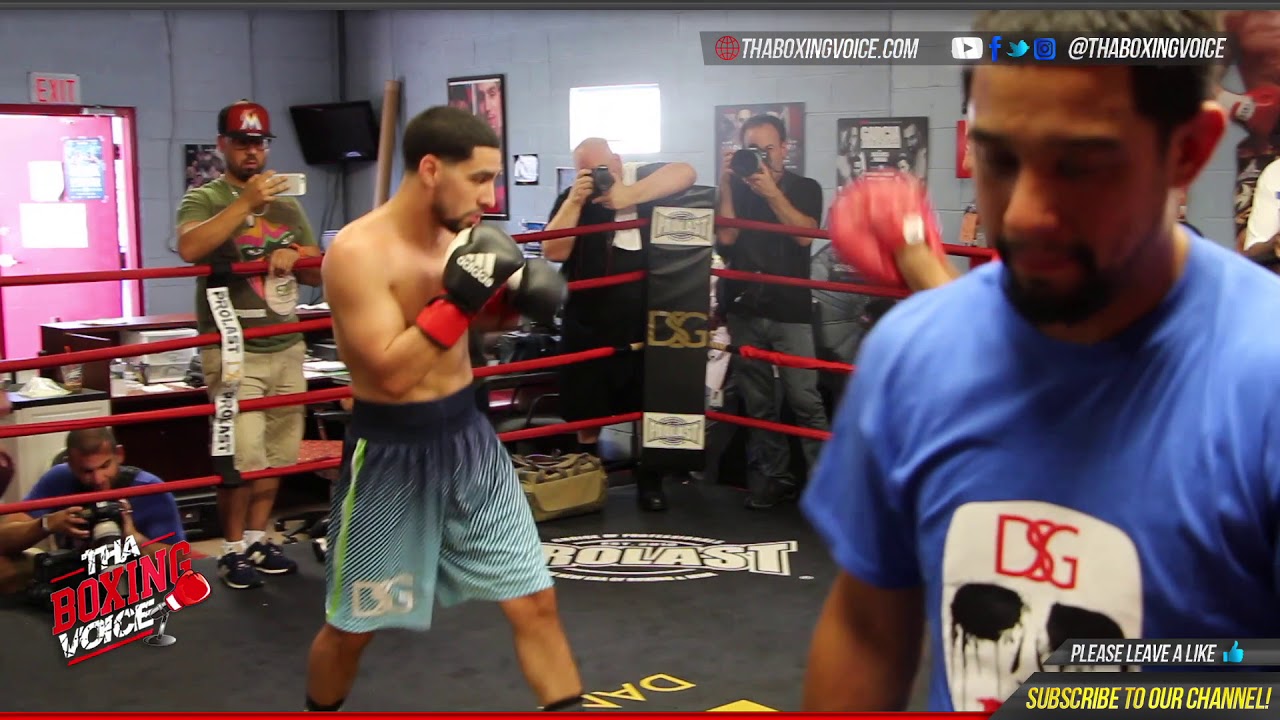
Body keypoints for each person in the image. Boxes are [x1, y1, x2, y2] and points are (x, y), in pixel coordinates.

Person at [800, 9, 1280, 713]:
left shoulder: (1261, 378)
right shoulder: (913, 354)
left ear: (1190, 149)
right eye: (998, 159)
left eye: (1079, 166)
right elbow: (867, 630)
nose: (1023, 215)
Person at [304, 105, 583, 712]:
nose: (490, 195)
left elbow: (472, 330)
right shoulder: (357, 252)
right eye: (479, 178)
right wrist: (459, 297)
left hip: (469, 440)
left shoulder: (464, 239)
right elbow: (391, 373)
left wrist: (510, 309)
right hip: (390, 461)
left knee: (535, 600)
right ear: (431, 168)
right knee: (354, 628)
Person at [175, 99, 322, 590]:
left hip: (285, 342)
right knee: (241, 455)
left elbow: (320, 265)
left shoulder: (288, 203)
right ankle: (231, 550)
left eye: (259, 143)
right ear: (224, 146)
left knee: (279, 453)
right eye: (242, 143)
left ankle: (260, 539)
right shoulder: (205, 199)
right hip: (233, 347)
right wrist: (245, 204)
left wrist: (294, 251)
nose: (252, 152)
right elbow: (190, 247)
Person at [541, 137, 697, 511]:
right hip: (589, 317)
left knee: (647, 399)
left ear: (618, 161)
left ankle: (650, 479)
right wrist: (576, 201)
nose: (599, 177)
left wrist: (630, 194)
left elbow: (687, 172)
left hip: (641, 317)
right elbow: (553, 251)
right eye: (588, 171)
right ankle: (588, 479)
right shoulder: (573, 198)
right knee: (586, 405)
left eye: (604, 169)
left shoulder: (644, 181)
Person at [716, 114, 831, 509]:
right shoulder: (740, 187)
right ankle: (774, 478)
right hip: (746, 305)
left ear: (784, 149)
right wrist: (727, 180)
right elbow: (727, 234)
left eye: (768, 149)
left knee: (805, 399)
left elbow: (804, 235)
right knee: (758, 401)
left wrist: (770, 192)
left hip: (790, 307)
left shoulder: (805, 187)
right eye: (753, 150)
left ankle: (824, 486)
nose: (762, 158)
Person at [0, 427, 186, 594]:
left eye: (105, 466)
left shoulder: (148, 489)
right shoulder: (58, 478)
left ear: (119, 455)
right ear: (70, 464)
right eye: (87, 471)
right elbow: (4, 536)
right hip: (75, 571)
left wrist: (133, 538)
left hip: (135, 576)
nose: (98, 479)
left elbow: (179, 561)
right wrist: (47, 523)